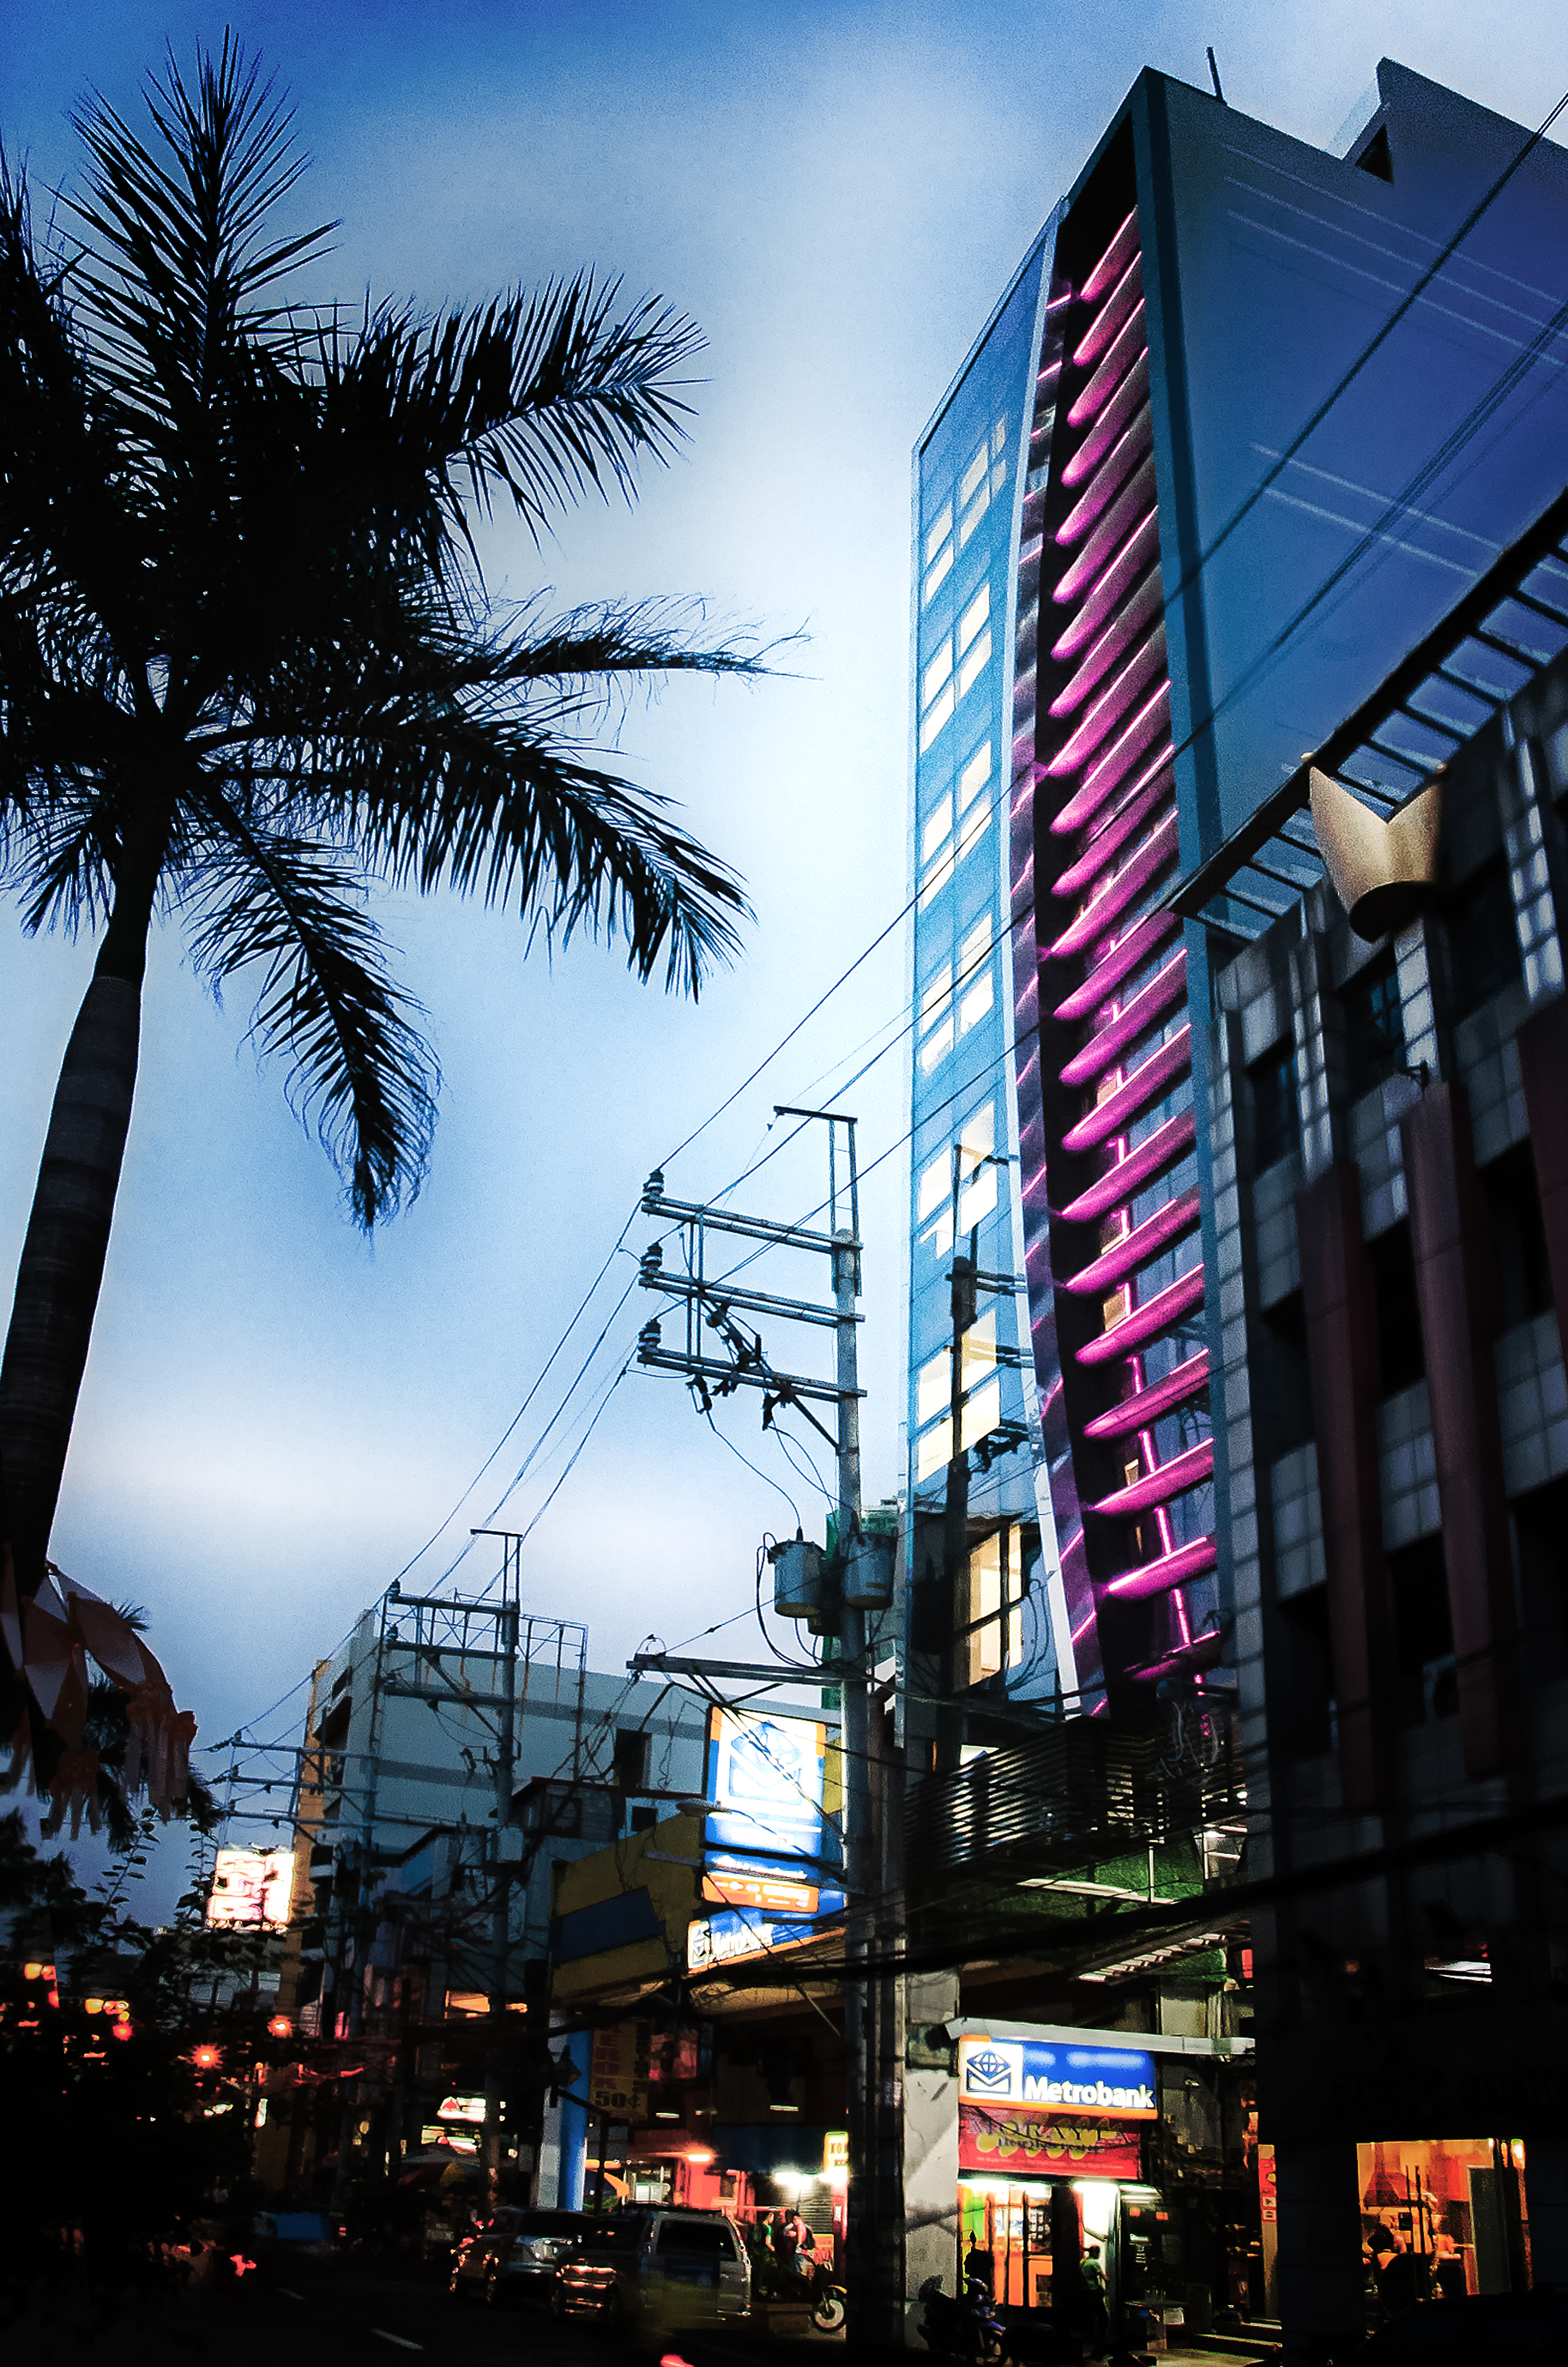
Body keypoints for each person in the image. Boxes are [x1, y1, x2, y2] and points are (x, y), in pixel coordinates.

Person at [1080, 2242, 1109, 2360]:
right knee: (1103, 2317)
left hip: (1084, 2293)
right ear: (1096, 2253)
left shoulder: (1083, 2262)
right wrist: (1106, 2285)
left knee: (1089, 2316)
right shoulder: (1094, 2263)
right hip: (1093, 2292)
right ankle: (1101, 2339)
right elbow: (1104, 2277)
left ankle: (1089, 2337)